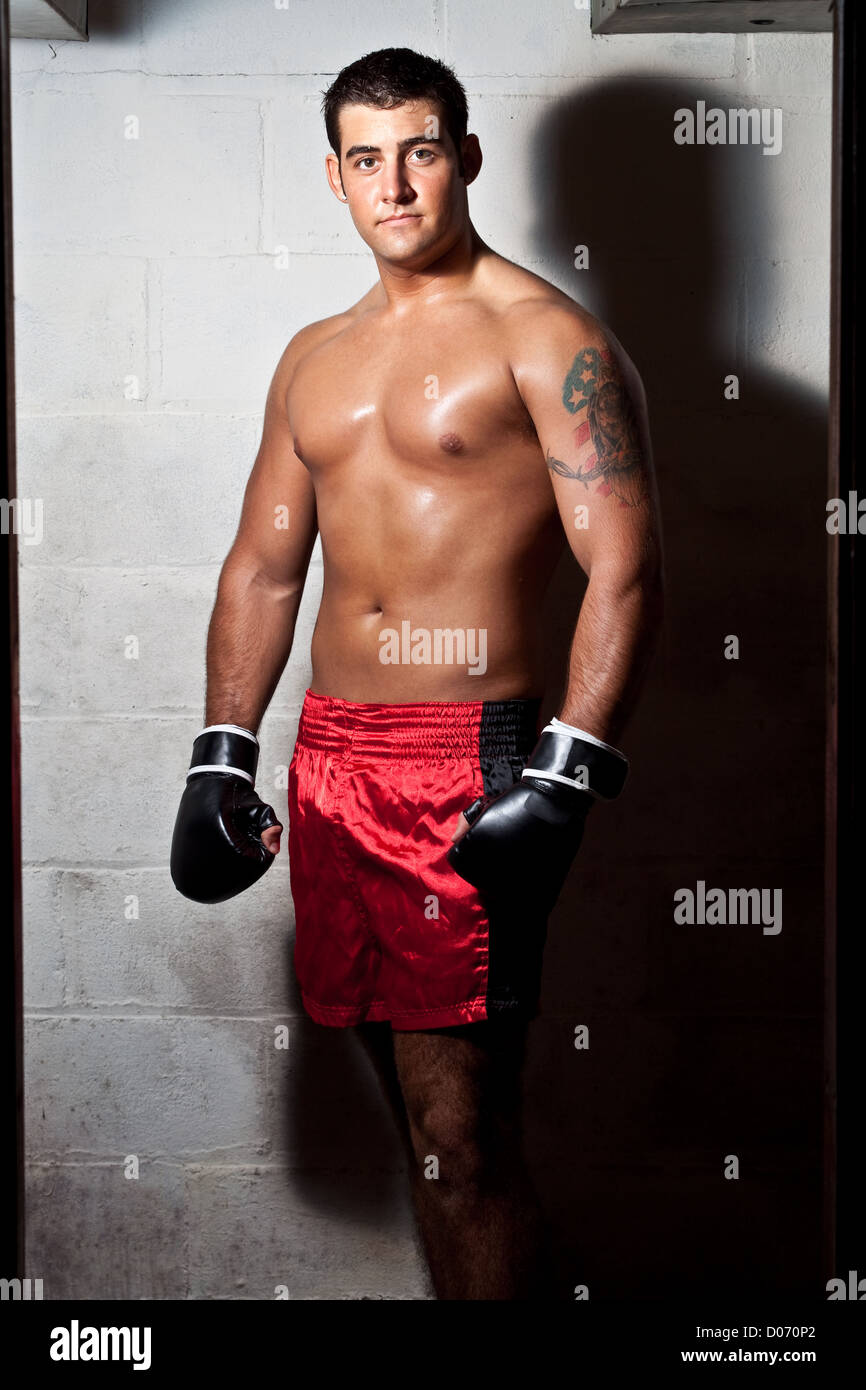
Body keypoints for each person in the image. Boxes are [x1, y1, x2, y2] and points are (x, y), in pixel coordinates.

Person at [171, 46, 664, 1300]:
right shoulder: (313, 356)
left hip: (467, 765)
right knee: (424, 1133)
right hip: (329, 761)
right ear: (335, 179)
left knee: (462, 1136)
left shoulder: (545, 337)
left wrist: (566, 772)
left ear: (466, 160)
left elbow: (624, 571)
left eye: (422, 151)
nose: (396, 185)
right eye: (367, 160)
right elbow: (262, 570)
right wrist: (220, 747)